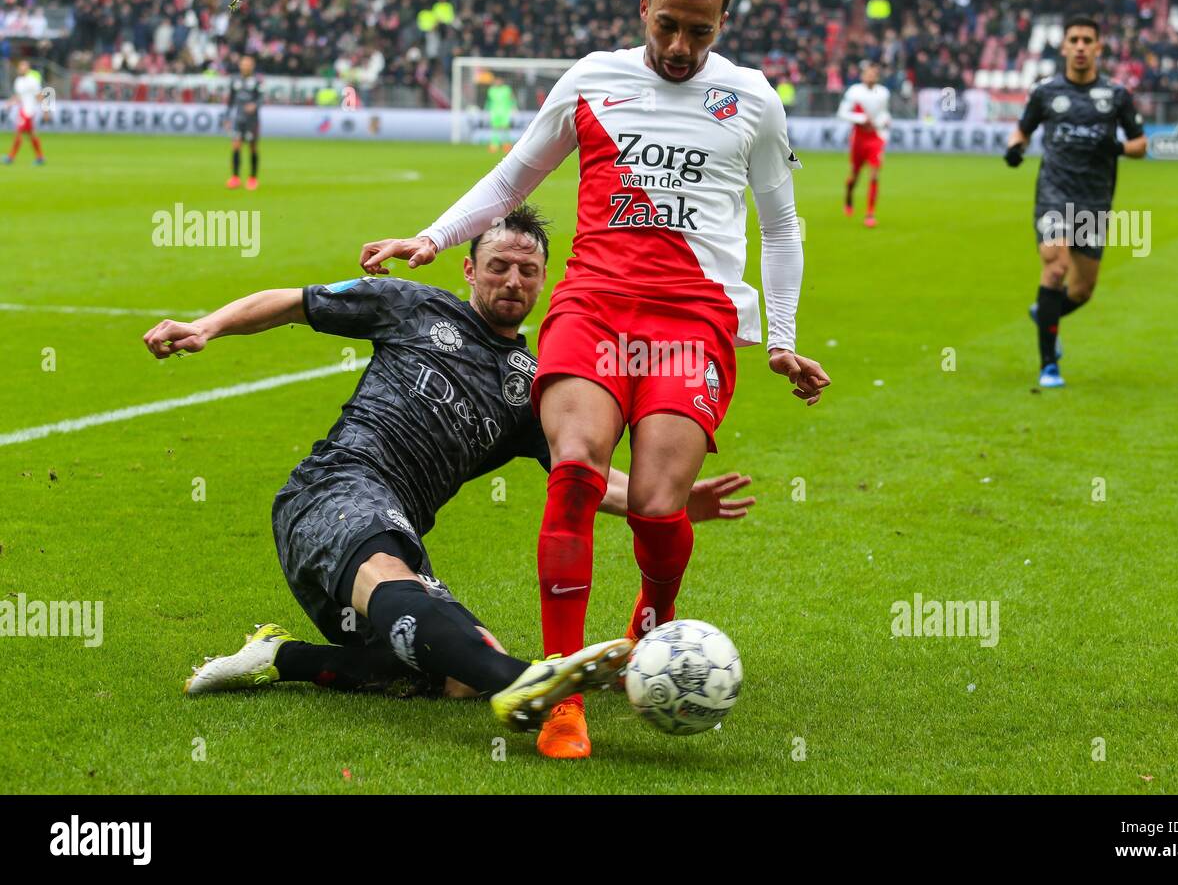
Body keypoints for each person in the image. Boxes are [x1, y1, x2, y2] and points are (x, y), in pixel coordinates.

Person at [358, 0, 828, 759]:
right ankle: (561, 688)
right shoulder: (591, 79)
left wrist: (781, 339)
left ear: (724, 23)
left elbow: (780, 224)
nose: (681, 48)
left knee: (653, 502)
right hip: (594, 307)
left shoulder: (751, 99)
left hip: (693, 319)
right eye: (670, 26)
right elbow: (513, 181)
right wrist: (432, 238)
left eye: (700, 33)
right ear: (644, 10)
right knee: (574, 465)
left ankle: (652, 618)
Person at [142, 205, 753, 740]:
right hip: (333, 488)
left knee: (453, 674)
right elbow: (293, 303)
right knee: (432, 619)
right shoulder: (411, 305)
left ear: (544, 281)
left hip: (396, 527)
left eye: (527, 271)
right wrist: (205, 326)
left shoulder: (529, 386)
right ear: (469, 269)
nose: (512, 281)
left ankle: (281, 657)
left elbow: (581, 475)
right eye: (498, 266)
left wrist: (662, 502)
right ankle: (533, 684)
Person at [1004, 15, 1147, 388]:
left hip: (1094, 199)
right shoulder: (1046, 91)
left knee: (1082, 290)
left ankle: (1046, 312)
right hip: (1054, 192)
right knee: (1054, 267)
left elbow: (1141, 145)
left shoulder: (1116, 94)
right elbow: (1023, 128)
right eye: (1074, 40)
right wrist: (1015, 147)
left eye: (1087, 40)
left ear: (1099, 47)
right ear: (1064, 46)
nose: (1081, 46)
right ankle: (1048, 365)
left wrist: (1116, 146)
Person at [837, 61, 890, 226]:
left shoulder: (883, 93)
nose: (870, 76)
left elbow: (884, 113)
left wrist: (885, 122)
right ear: (862, 76)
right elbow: (842, 113)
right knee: (855, 175)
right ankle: (849, 197)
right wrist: (861, 119)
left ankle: (870, 213)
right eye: (868, 74)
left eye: (873, 74)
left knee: (874, 174)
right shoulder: (854, 92)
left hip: (875, 138)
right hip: (859, 139)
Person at [225, 55, 262, 190]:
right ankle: (235, 177)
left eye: (248, 64)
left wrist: (254, 105)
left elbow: (261, 99)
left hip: (252, 120)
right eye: (243, 64)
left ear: (252, 66)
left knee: (252, 147)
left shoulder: (257, 81)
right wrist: (227, 117)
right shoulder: (235, 80)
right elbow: (230, 101)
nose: (245, 66)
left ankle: (253, 178)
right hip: (238, 119)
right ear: (240, 65)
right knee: (236, 146)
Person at [3, 60, 45, 166]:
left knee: (19, 132)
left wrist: (45, 110)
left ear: (28, 68)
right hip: (22, 110)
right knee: (31, 134)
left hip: (30, 111)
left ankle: (11, 157)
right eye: (21, 66)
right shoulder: (18, 81)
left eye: (24, 66)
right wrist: (10, 103)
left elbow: (39, 95)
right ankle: (40, 157)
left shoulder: (32, 80)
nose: (22, 68)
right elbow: (19, 97)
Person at [485, 75, 517, 153]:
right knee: (495, 128)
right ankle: (494, 145)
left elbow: (512, 98)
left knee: (505, 128)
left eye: (499, 80)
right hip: (494, 111)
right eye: (497, 80)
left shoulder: (507, 89)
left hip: (505, 112)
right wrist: (486, 109)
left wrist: (514, 106)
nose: (498, 82)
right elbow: (489, 101)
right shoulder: (491, 90)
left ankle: (506, 144)